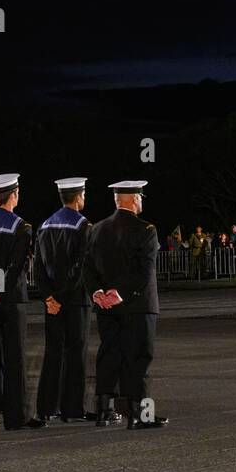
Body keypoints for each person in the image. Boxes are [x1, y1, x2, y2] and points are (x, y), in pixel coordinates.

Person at [84, 180, 166, 430]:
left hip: (107, 308)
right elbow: (144, 272)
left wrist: (97, 293)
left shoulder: (97, 229)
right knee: (139, 358)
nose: (142, 201)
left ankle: (104, 411)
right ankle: (140, 414)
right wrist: (121, 293)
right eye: (140, 196)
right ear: (133, 199)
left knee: (109, 355)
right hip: (138, 305)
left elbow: (87, 267)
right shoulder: (146, 229)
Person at [0, 173, 41, 431]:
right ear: (14, 195)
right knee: (15, 359)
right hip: (11, 301)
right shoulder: (21, 226)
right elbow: (16, 266)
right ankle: (16, 418)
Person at [36, 177, 95, 423]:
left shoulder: (45, 226)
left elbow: (38, 267)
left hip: (51, 302)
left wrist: (49, 296)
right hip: (75, 299)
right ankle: (73, 408)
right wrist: (61, 295)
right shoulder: (83, 226)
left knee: (53, 352)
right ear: (78, 196)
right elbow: (81, 267)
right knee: (75, 352)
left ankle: (47, 406)